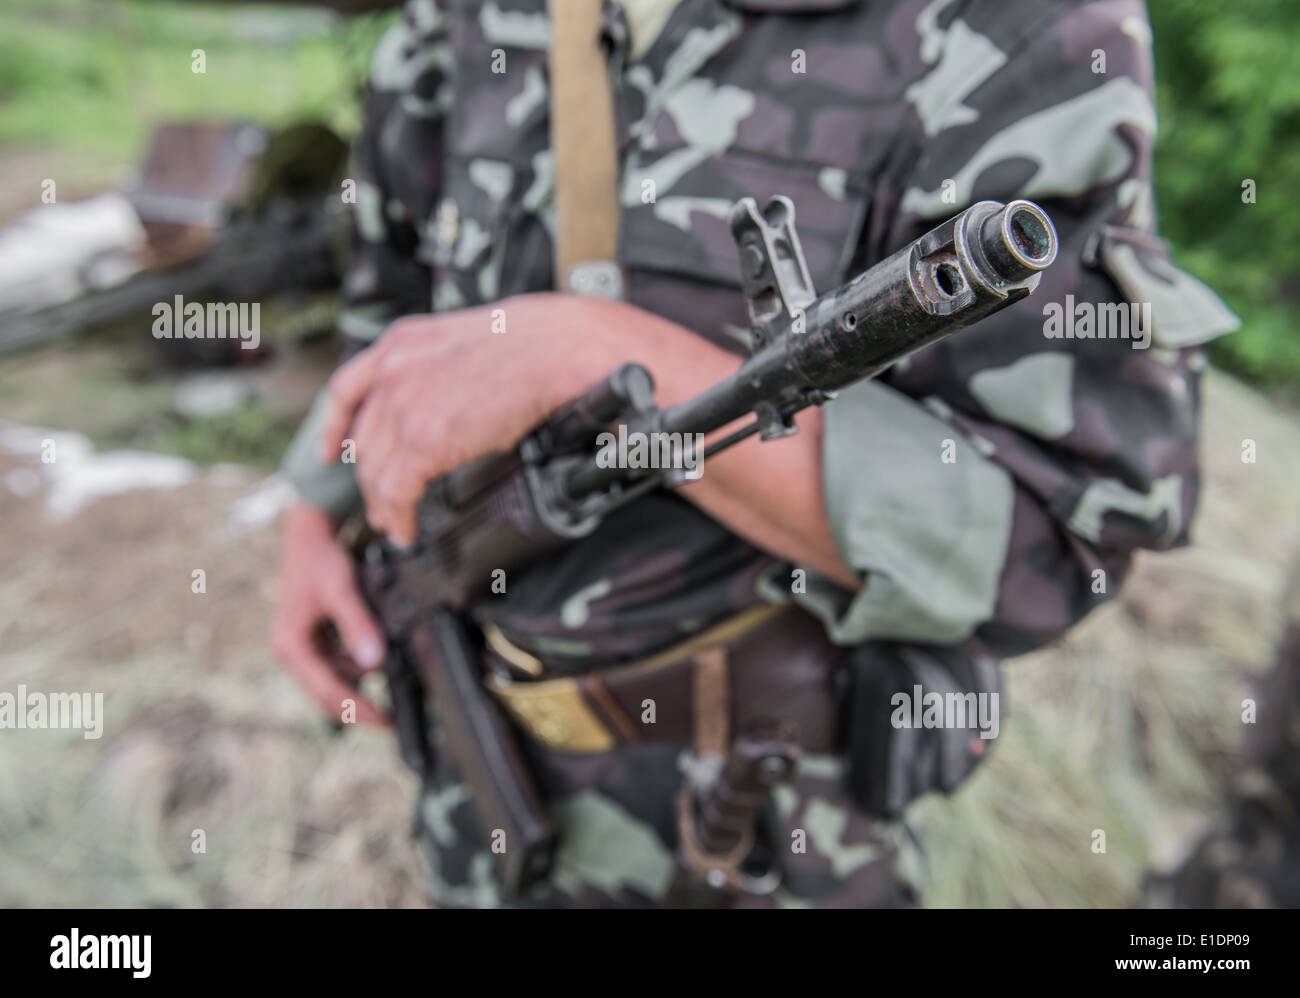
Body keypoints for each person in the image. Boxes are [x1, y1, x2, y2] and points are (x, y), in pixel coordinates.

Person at [272, 0, 1237, 908]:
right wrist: (314, 507)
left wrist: (603, 357)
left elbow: (1055, 542)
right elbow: (391, 296)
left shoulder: (1015, 23)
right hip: (468, 785)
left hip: (761, 834)